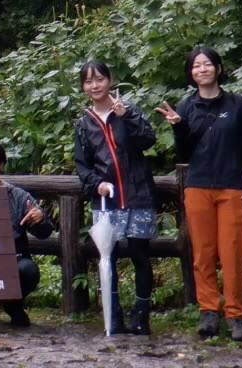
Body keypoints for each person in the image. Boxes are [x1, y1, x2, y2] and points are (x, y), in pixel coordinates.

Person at [157, 45, 242, 344]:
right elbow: (184, 153)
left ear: (218, 68)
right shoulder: (186, 107)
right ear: (191, 73)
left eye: (207, 64)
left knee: (233, 252)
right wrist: (178, 127)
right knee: (203, 253)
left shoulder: (238, 105)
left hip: (232, 186)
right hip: (198, 185)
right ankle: (209, 312)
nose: (201, 69)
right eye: (196, 65)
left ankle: (236, 315)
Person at [73, 59, 159, 335]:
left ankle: (141, 315)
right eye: (88, 81)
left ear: (110, 81)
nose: (95, 85)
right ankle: (114, 315)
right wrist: (96, 183)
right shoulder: (84, 124)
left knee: (140, 254)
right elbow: (82, 165)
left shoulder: (127, 110)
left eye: (99, 79)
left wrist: (126, 116)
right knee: (107, 256)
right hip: (106, 199)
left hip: (138, 194)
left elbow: (149, 140)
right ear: (83, 87)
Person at [0, 138, 54, 326]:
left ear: (1, 164)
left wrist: (40, 219)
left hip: (14, 260)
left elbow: (43, 233)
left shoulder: (18, 196)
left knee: (28, 270)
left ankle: (12, 303)